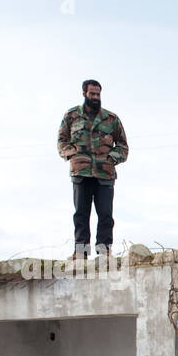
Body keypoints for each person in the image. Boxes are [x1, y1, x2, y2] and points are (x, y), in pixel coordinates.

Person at [57, 79, 128, 259]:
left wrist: (112, 158)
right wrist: (71, 154)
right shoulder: (71, 116)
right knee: (81, 214)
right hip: (81, 172)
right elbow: (62, 141)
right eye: (92, 94)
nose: (96, 97)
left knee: (105, 215)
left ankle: (104, 252)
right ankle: (81, 252)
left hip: (105, 174)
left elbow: (123, 146)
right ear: (84, 94)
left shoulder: (111, 119)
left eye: (98, 94)